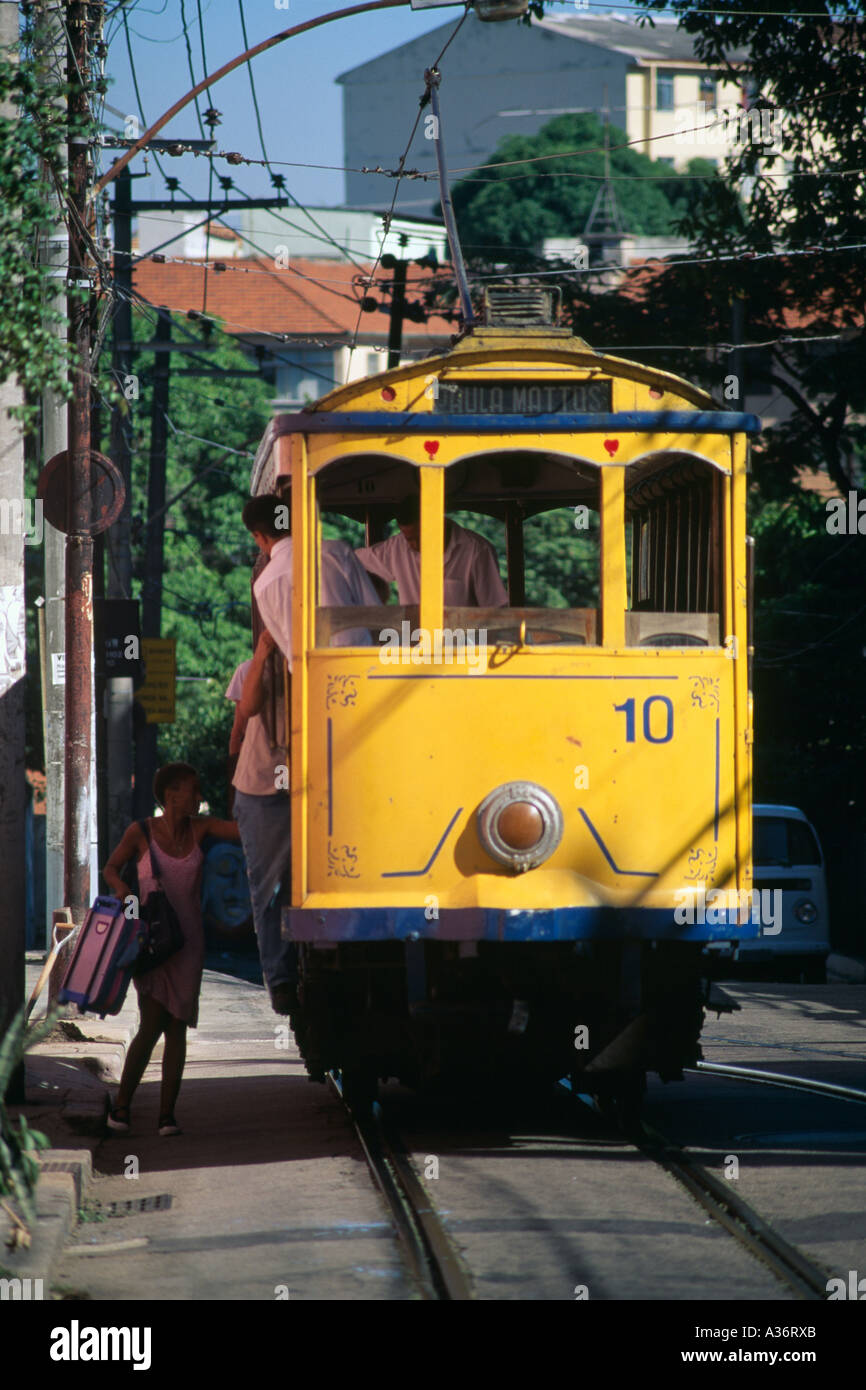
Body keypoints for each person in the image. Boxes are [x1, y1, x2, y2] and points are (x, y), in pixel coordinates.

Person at [102, 763, 240, 1137]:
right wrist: (123, 890)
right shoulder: (140, 831)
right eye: (193, 790)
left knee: (178, 1026)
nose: (198, 797)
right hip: (151, 942)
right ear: (171, 794)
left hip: (190, 945)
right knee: (150, 1026)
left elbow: (245, 831)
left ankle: (167, 1116)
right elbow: (111, 868)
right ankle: (122, 1106)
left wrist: (248, 785)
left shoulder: (203, 829)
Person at [225, 630, 296, 1015]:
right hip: (263, 787)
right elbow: (245, 714)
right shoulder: (251, 670)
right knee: (268, 887)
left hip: (310, 784)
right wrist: (265, 651)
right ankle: (279, 977)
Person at [242, 494, 382, 665]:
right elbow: (375, 614)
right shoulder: (336, 552)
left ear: (259, 536)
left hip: (311, 681)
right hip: (361, 669)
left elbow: (288, 648)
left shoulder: (263, 586)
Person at [355, 497, 508, 607]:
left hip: (463, 648)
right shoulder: (397, 547)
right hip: (415, 648)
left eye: (420, 537)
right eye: (409, 538)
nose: (414, 545)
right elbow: (350, 562)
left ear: (437, 524)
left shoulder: (478, 550)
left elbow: (494, 609)